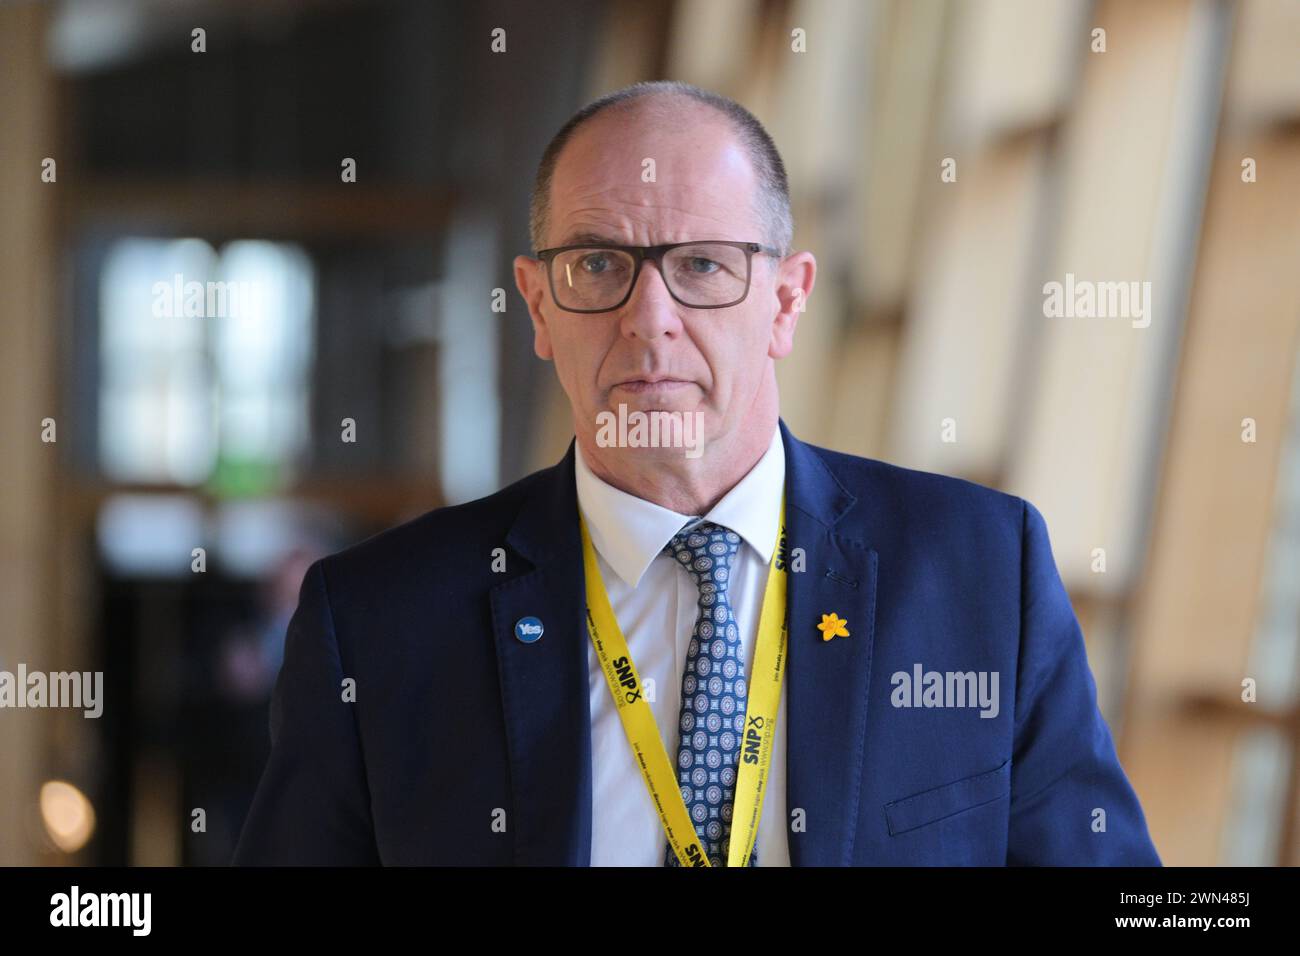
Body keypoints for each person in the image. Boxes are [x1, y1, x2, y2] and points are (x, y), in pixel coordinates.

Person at [233, 80, 1160, 866]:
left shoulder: (984, 575)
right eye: (598, 264)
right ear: (539, 308)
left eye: (704, 266)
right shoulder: (381, 622)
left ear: (787, 302)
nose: (650, 319)